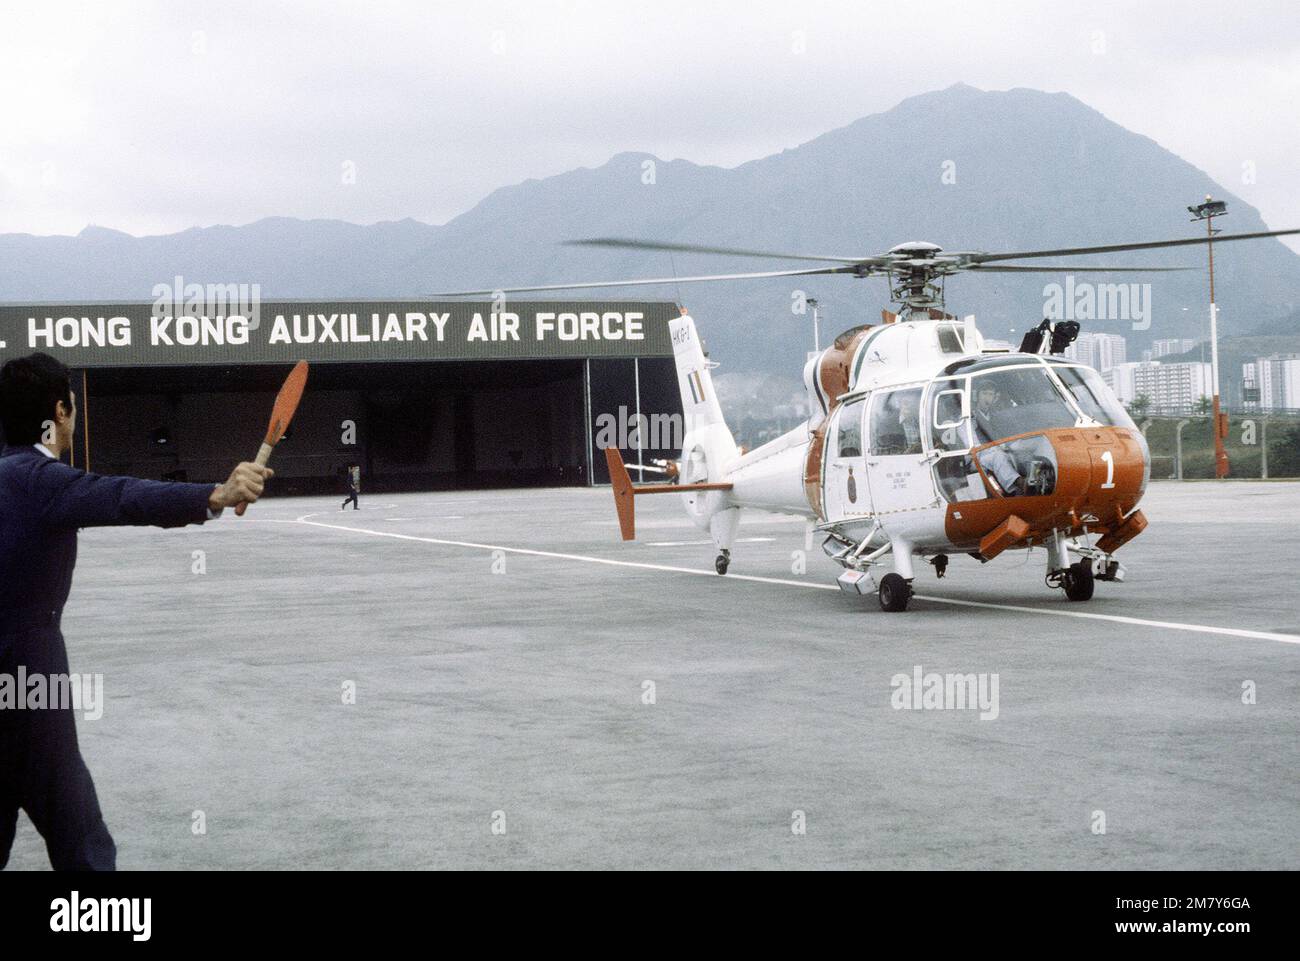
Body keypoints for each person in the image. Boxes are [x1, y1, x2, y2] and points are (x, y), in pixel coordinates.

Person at [0, 352, 271, 870]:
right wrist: (216, 493)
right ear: (59, 412)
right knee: (80, 838)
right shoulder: (40, 480)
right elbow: (122, 495)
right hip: (30, 682)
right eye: (73, 407)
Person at [971, 382, 1024, 495]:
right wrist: (999, 447)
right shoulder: (971, 418)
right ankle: (1017, 485)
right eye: (984, 394)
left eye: (990, 394)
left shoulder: (994, 416)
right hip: (977, 457)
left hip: (994, 451)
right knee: (998, 456)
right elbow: (973, 446)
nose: (987, 398)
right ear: (977, 396)